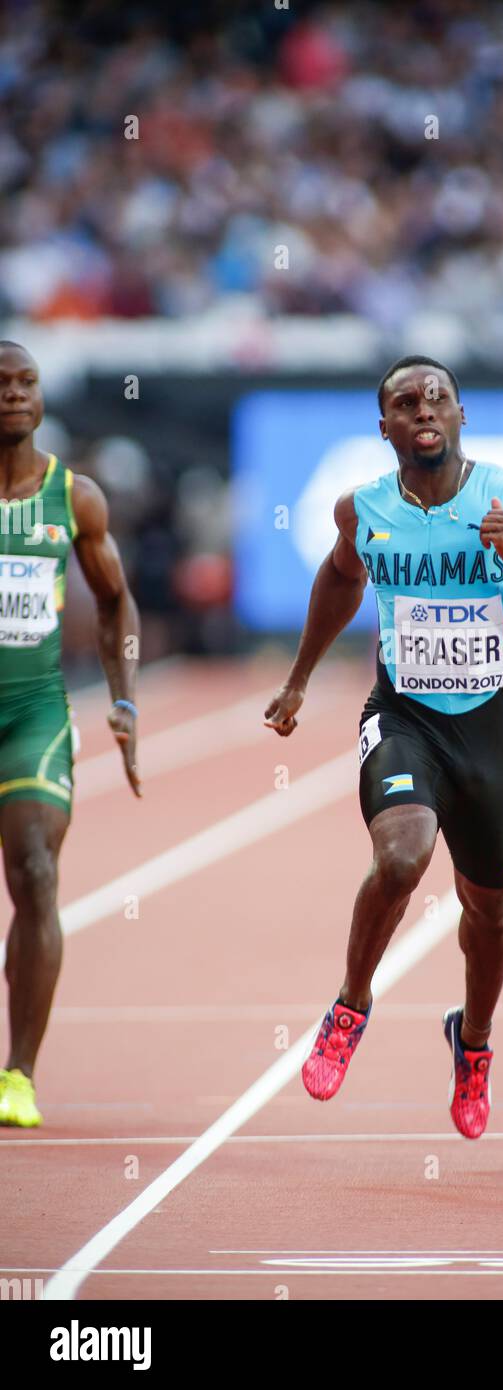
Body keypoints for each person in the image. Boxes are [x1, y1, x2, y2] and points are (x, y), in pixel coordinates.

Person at [265, 356, 503, 1138]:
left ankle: (472, 1043)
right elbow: (340, 579)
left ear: (461, 416)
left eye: (439, 398)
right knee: (402, 856)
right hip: (403, 718)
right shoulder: (364, 509)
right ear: (383, 426)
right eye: (406, 401)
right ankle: (350, 1007)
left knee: (491, 909)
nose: (425, 409)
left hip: (490, 738)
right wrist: (299, 679)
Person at [0, 342, 141, 1127]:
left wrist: (124, 701)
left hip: (33, 717)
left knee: (35, 875)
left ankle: (17, 1074)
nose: (15, 396)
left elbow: (117, 601)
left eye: (27, 384)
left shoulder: (75, 497)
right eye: (1, 385)